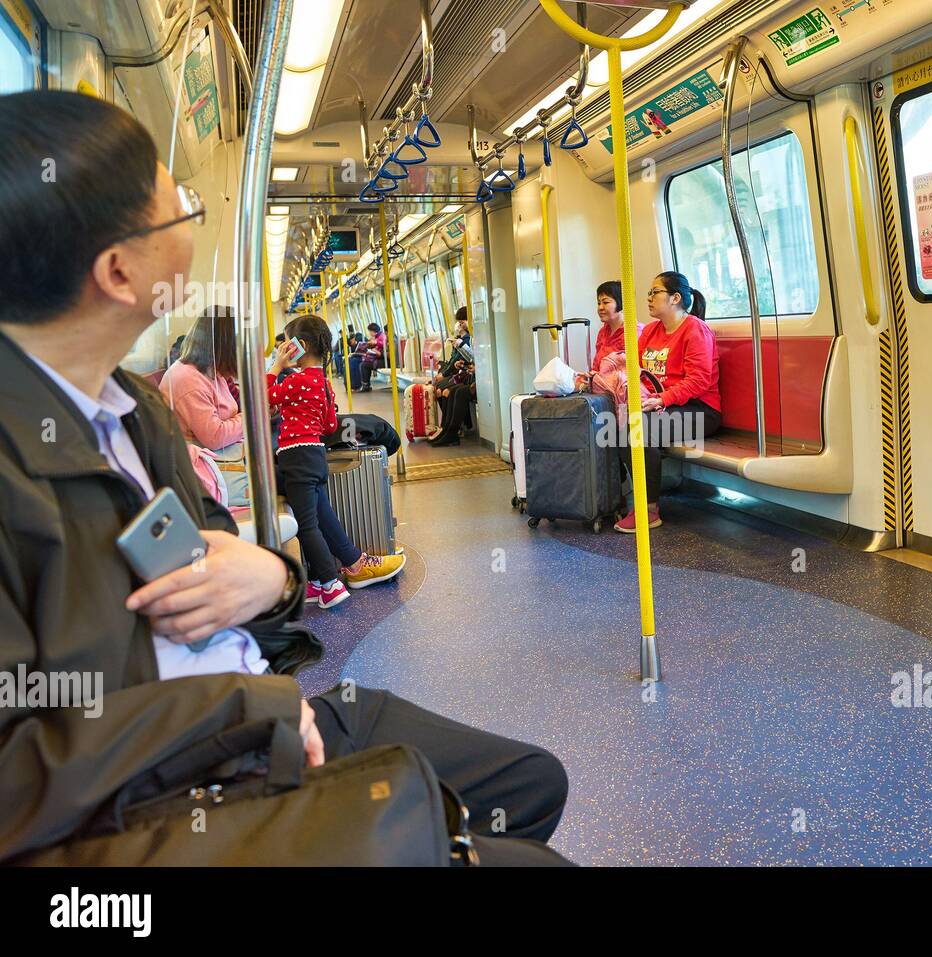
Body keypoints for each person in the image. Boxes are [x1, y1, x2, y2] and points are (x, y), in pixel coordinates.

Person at [0, 89, 569, 865]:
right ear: (119, 270)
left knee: (532, 780)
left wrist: (271, 576)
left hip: (258, 710)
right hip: (164, 796)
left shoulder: (134, 409)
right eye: (182, 207)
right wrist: (241, 706)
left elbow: (219, 564)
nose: (196, 225)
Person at [268, 314, 406, 607]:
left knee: (306, 525)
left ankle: (330, 583)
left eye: (289, 345)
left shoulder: (294, 381)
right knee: (320, 513)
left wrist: (276, 367)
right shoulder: (324, 383)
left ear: (300, 346)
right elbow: (331, 426)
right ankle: (320, 582)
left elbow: (266, 396)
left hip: (295, 456)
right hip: (315, 455)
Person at [615, 271, 722, 533]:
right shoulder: (651, 331)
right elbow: (635, 367)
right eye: (649, 293)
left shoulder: (696, 330)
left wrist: (662, 398)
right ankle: (617, 500)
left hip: (700, 410)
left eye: (655, 292)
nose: (648, 298)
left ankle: (648, 510)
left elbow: (699, 381)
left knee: (638, 432)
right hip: (663, 406)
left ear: (675, 298)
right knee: (613, 427)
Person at [158, 305, 249, 507]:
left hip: (227, 463)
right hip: (208, 476)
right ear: (225, 345)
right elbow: (215, 436)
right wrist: (249, 417)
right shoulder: (187, 380)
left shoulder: (210, 372)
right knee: (295, 481)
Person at [356, 321, 387, 392]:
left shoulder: (381, 336)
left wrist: (375, 343)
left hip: (381, 359)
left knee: (363, 365)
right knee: (363, 363)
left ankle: (366, 385)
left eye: (370, 331)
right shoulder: (377, 337)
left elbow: (382, 345)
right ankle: (365, 385)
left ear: (373, 331)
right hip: (378, 357)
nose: (369, 333)